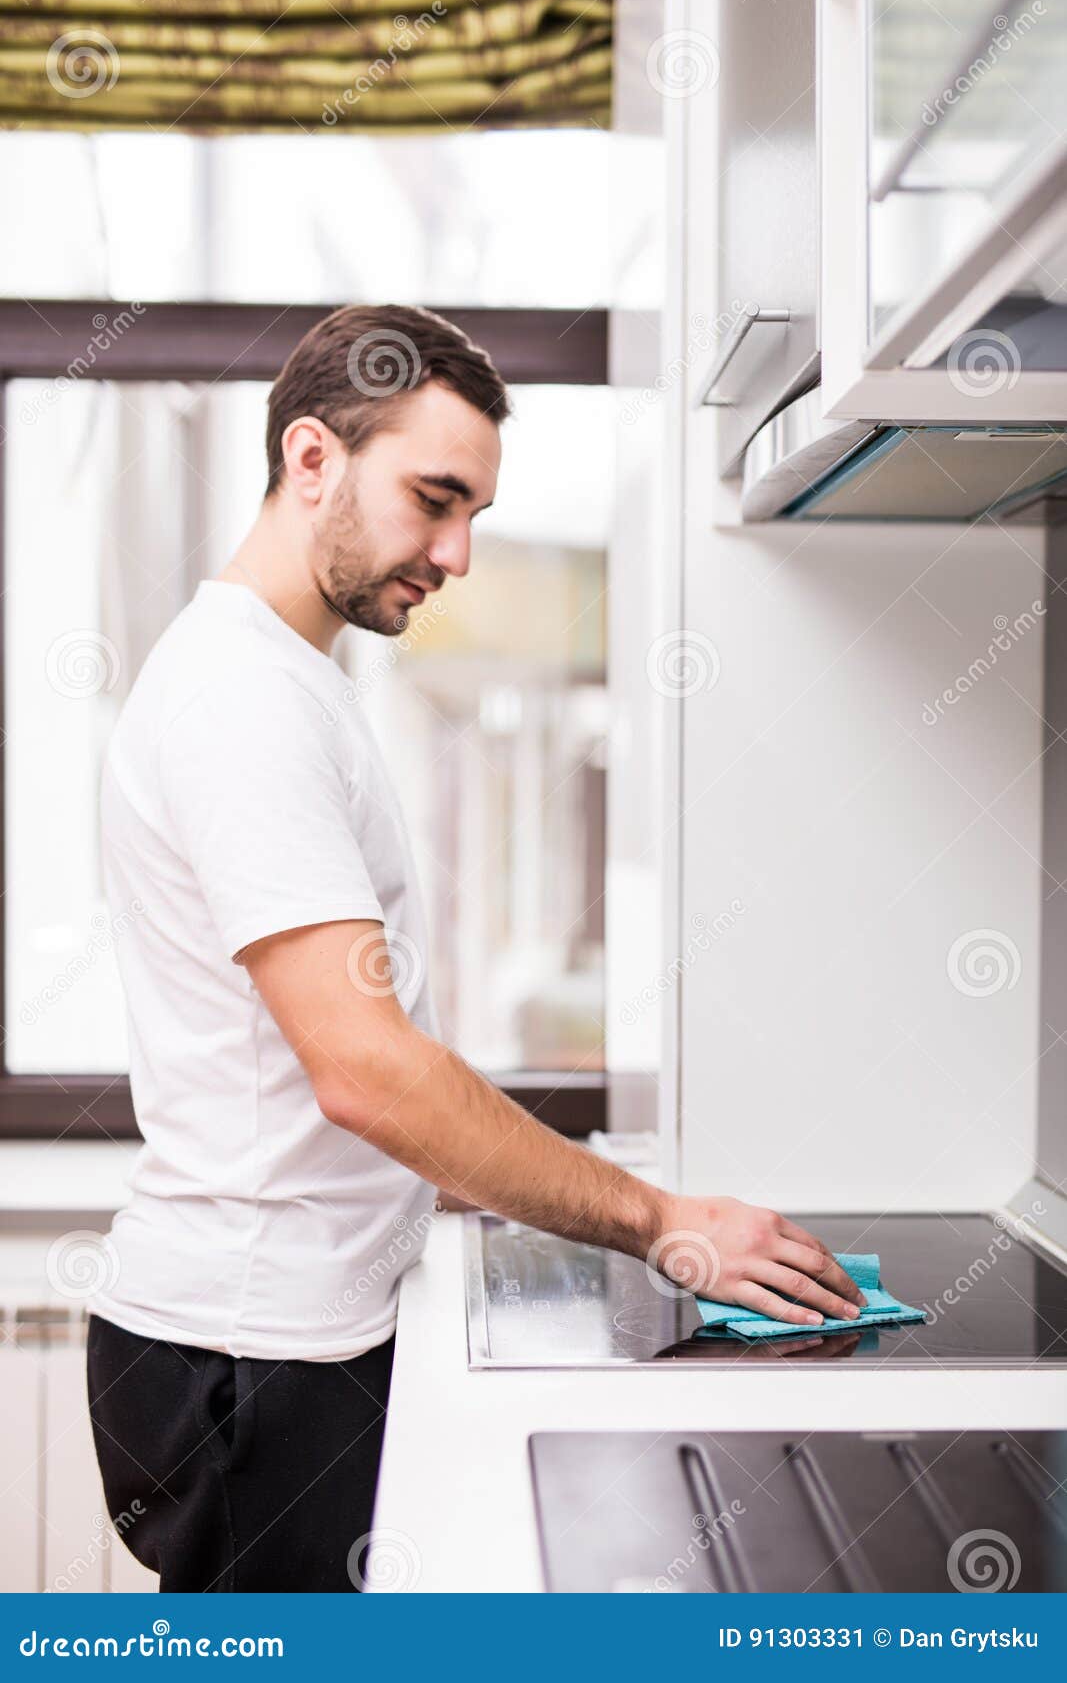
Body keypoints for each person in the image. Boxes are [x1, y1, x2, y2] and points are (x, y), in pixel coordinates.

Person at [85, 302, 865, 1593]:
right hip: (247, 1354)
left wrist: (500, 1180)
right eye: (433, 498)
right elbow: (368, 1070)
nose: (455, 553)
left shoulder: (295, 679)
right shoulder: (238, 702)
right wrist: (661, 1221)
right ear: (311, 459)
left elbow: (341, 1072)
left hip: (280, 1337)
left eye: (474, 516)